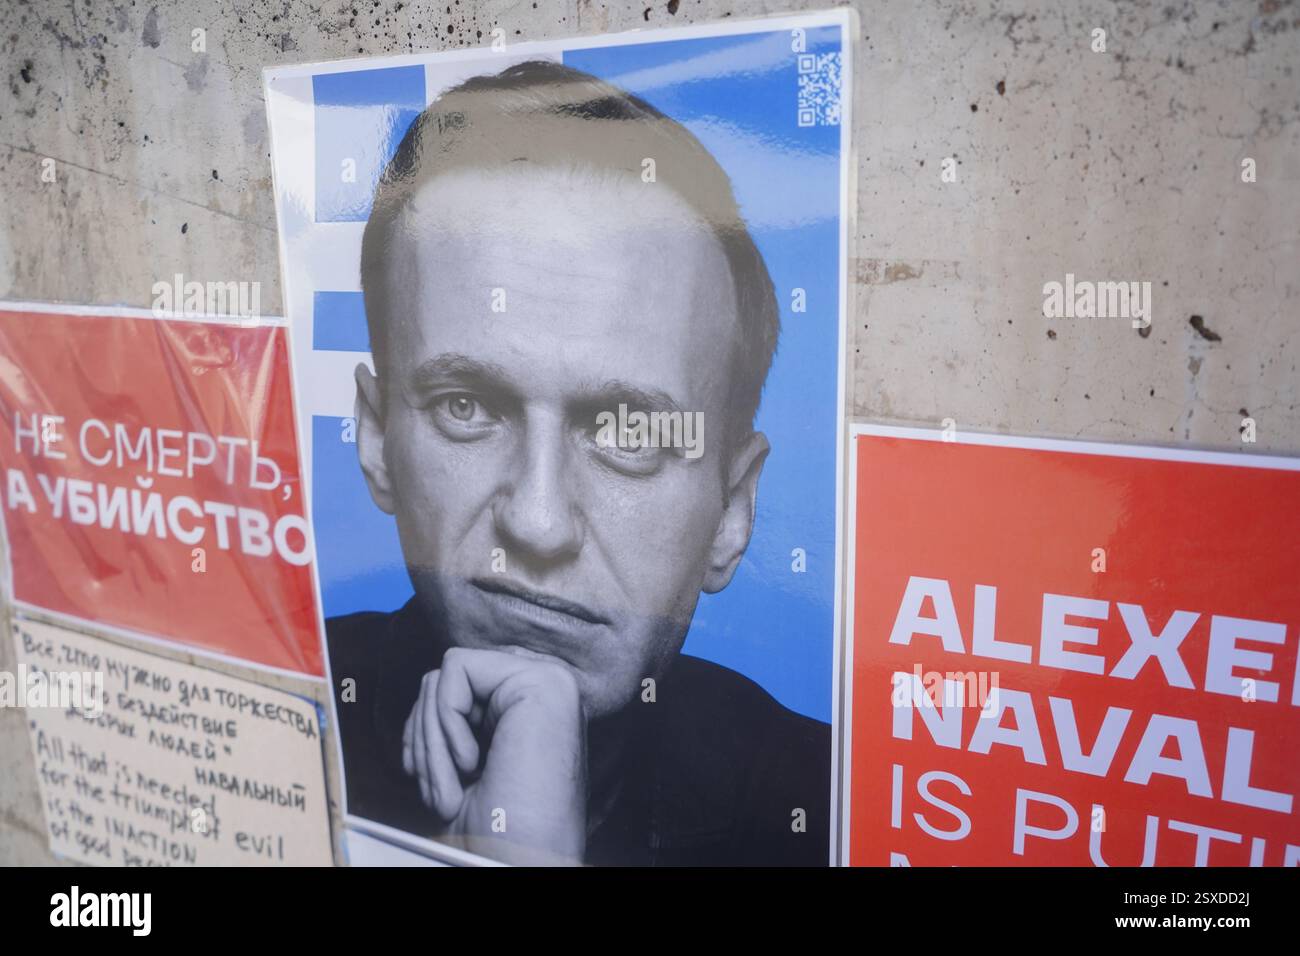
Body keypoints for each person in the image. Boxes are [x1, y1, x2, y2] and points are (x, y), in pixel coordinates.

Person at [327, 60, 829, 866]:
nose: (537, 520)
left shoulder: (825, 808)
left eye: (628, 433)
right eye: (467, 408)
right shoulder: (269, 720)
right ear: (379, 441)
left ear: (732, 513)